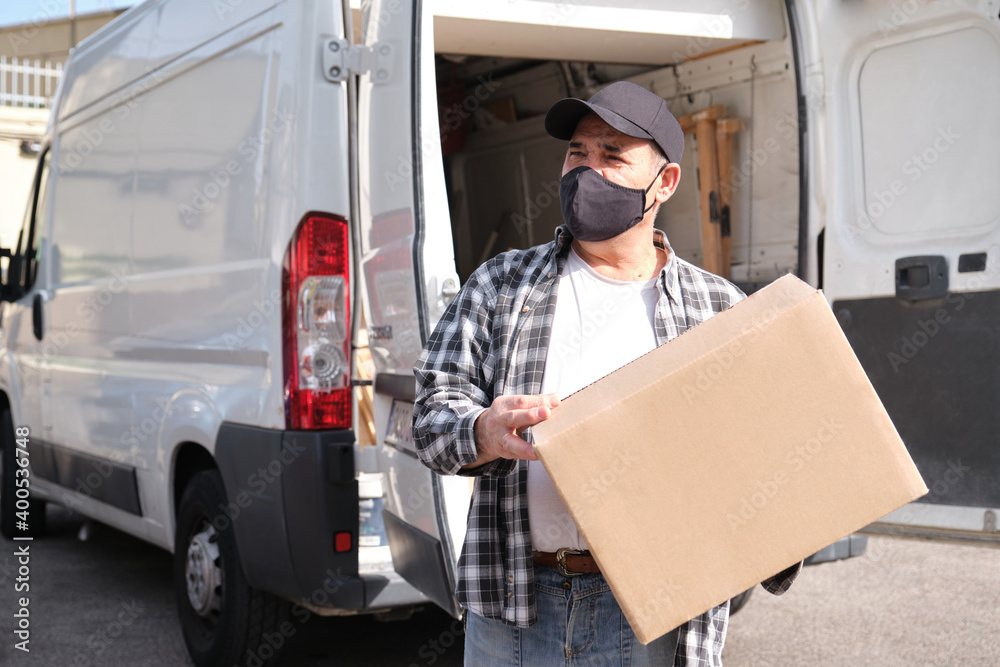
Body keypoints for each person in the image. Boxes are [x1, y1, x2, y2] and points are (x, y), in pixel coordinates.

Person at [413, 81, 801, 666]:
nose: (586, 172)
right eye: (577, 154)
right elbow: (430, 416)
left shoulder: (719, 310)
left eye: (613, 156)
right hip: (516, 611)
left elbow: (766, 459)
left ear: (663, 183)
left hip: (654, 616)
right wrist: (483, 431)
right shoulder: (502, 285)